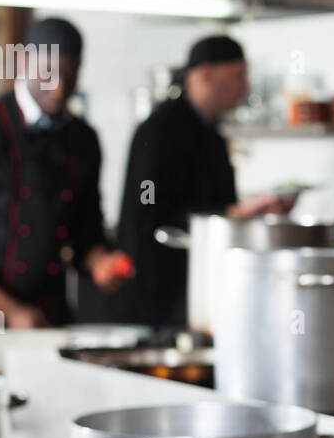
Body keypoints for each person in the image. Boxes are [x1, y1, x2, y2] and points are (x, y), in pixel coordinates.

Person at [0, 17, 130, 329]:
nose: (59, 89)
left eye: (70, 76)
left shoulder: (84, 140)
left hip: (48, 318)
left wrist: (102, 262)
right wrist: (11, 310)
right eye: (49, 74)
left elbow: (85, 231)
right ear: (23, 63)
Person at [112, 35, 293, 327]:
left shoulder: (212, 134)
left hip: (203, 290)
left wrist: (250, 215)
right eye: (239, 75)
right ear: (206, 76)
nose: (246, 86)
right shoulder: (158, 132)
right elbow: (149, 215)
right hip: (160, 299)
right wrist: (228, 216)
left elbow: (217, 204)